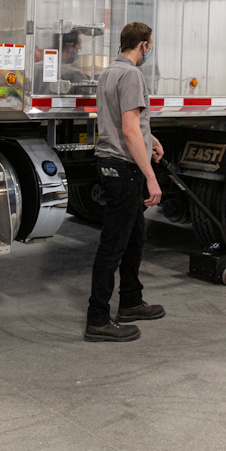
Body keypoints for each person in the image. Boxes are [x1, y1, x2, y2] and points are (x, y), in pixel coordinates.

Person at [84, 21, 166, 342]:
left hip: (112, 163)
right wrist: (151, 177)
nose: (149, 52)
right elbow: (130, 130)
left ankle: (130, 300)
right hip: (124, 169)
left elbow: (128, 123)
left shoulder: (108, 73)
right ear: (143, 45)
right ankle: (98, 318)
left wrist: (151, 140)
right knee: (114, 245)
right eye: (150, 47)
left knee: (134, 239)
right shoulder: (132, 75)